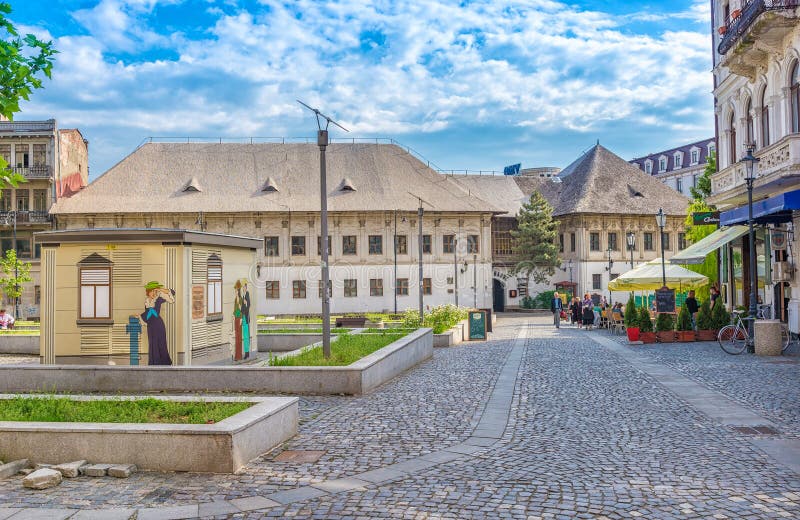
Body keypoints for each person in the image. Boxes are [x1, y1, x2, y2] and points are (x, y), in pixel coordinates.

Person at [141, 281, 175, 366]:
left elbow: (172, 293)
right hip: (151, 325)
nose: (154, 293)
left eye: (155, 291)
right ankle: (153, 363)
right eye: (152, 291)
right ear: (148, 292)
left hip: (158, 325)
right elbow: (148, 314)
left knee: (161, 343)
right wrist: (141, 316)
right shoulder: (147, 301)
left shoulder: (159, 299)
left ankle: (165, 363)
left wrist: (160, 289)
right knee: (152, 344)